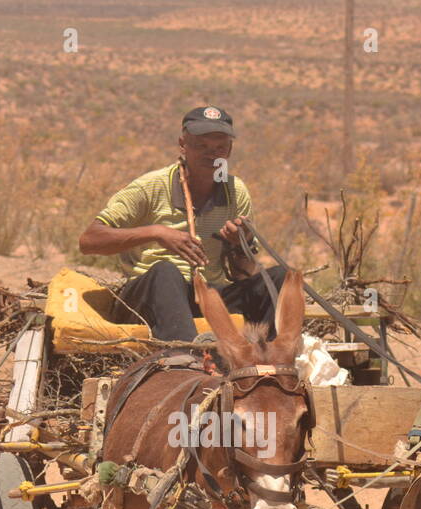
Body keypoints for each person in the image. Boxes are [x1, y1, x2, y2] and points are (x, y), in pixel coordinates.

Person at [77, 106, 287, 343]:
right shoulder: (151, 186)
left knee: (281, 277)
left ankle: (272, 361)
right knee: (166, 271)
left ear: (230, 149)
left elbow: (244, 271)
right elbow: (89, 240)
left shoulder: (235, 191)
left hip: (208, 296)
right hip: (150, 298)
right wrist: (156, 232)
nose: (212, 154)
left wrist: (241, 243)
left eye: (220, 147)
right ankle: (186, 360)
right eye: (201, 146)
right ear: (182, 145)